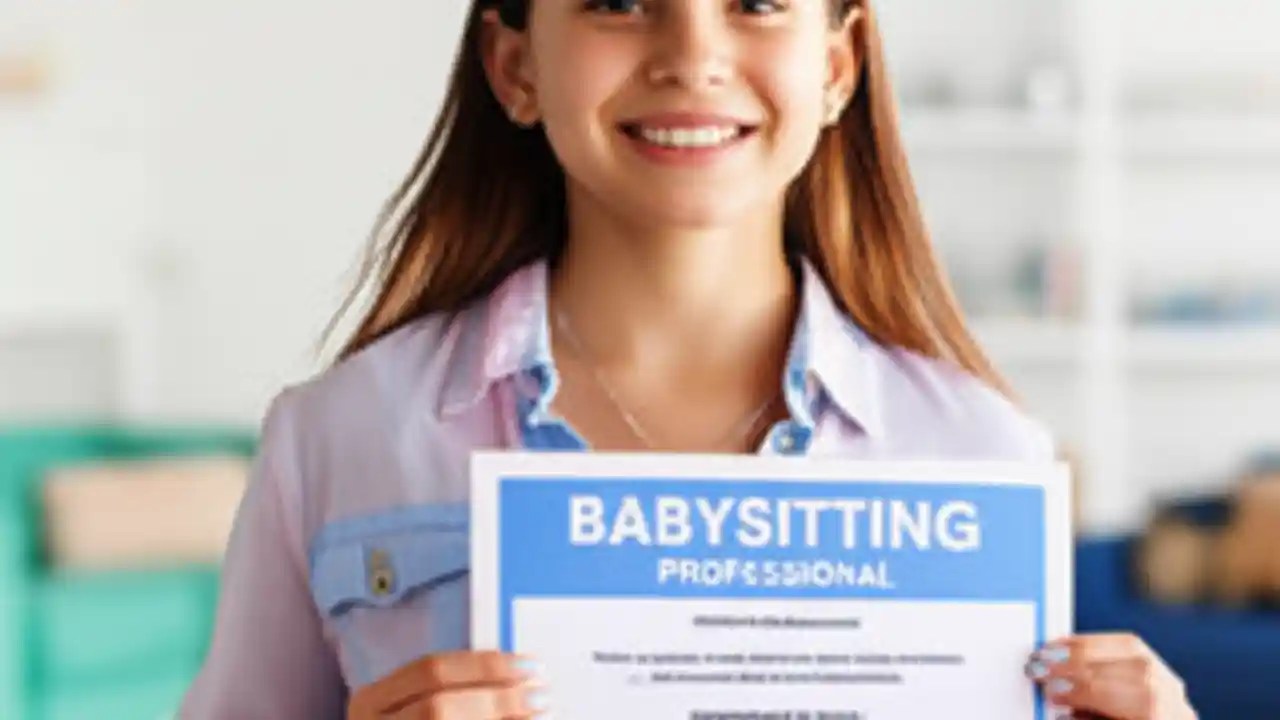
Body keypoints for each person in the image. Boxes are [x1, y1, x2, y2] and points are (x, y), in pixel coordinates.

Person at [181, 0, 1197, 718]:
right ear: (516, 65)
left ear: (835, 68)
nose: (690, 55)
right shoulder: (338, 436)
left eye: (755, 3)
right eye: (618, 2)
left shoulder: (981, 450)